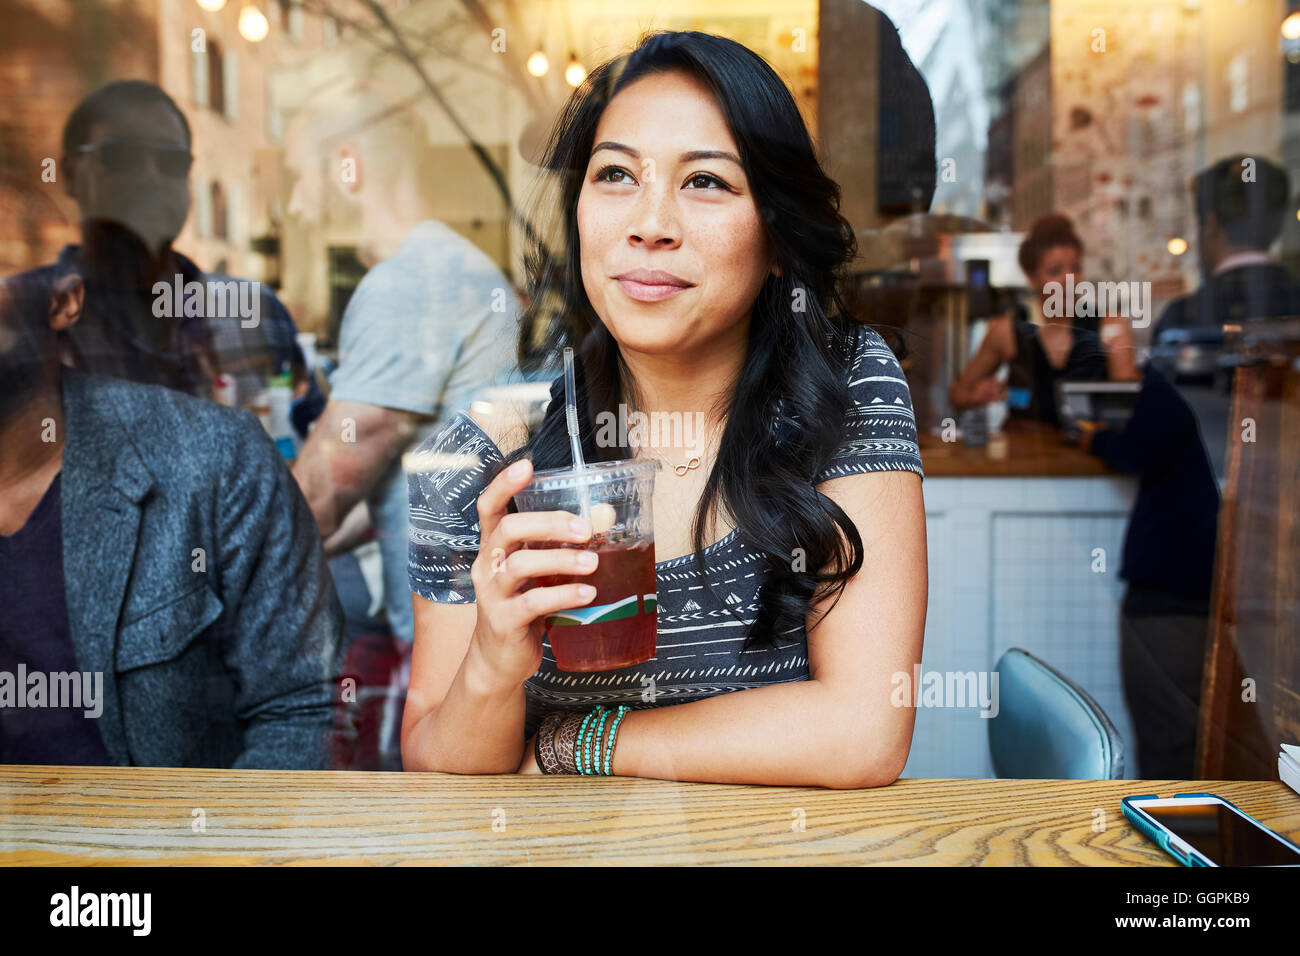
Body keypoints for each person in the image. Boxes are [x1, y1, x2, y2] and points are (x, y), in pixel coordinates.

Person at [402, 31, 929, 788]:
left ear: (777, 236)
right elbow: (437, 765)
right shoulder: (479, 464)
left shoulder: (842, 389)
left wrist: (571, 742)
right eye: (616, 174)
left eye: (707, 182)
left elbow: (864, 729)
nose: (650, 224)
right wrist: (491, 663)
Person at [0, 263, 343, 768]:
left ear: (62, 301)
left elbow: (302, 708)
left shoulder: (215, 460)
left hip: (173, 843)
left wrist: (214, 844)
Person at [285, 80, 526, 650]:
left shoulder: (407, 283)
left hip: (448, 640)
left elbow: (325, 491)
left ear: (349, 167)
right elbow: (409, 471)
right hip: (467, 623)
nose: (296, 204)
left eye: (300, 176)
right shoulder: (454, 267)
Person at [57, 80, 322, 421]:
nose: (150, 177)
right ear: (69, 174)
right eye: (121, 157)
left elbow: (313, 451)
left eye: (172, 161)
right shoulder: (19, 324)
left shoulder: (258, 315)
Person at [1074, 363, 1219, 777]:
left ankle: (1178, 835)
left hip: (1172, 599)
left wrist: (1095, 438)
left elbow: (1135, 453)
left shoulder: (1159, 398)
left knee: (1169, 737)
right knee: (1171, 733)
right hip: (1179, 593)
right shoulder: (1159, 397)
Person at [949, 213, 1138, 428]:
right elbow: (957, 396)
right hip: (1022, 456)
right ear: (1031, 278)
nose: (1069, 280)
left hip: (1089, 457)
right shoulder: (1007, 331)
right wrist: (977, 395)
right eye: (1055, 271)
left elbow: (1127, 411)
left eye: (1075, 268)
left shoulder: (1111, 327)